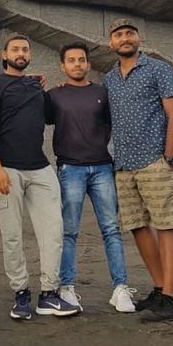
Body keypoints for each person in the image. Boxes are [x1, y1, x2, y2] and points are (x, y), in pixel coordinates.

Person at [0, 34, 80, 320]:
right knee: (11, 234)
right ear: (4, 53)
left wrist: (58, 89)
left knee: (53, 231)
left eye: (25, 49)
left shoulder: (37, 88)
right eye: (16, 49)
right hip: (7, 168)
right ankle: (20, 293)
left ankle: (49, 294)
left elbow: (50, 115)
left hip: (41, 169)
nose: (21, 53)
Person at [103, 18, 173, 322]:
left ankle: (171, 297)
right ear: (111, 42)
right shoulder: (109, 79)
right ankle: (159, 288)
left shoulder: (159, 69)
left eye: (129, 33)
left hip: (154, 160)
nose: (124, 38)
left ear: (138, 38)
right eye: (118, 35)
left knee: (165, 225)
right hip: (123, 165)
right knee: (137, 226)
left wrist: (170, 156)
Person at [46, 42, 136, 313]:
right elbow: (45, 121)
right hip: (69, 168)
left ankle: (120, 289)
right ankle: (67, 287)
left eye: (81, 60)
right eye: (71, 60)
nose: (77, 64)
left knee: (111, 228)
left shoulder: (102, 93)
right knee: (69, 231)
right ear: (62, 66)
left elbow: (108, 126)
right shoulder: (53, 96)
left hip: (101, 168)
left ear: (87, 64)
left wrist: (95, 147)